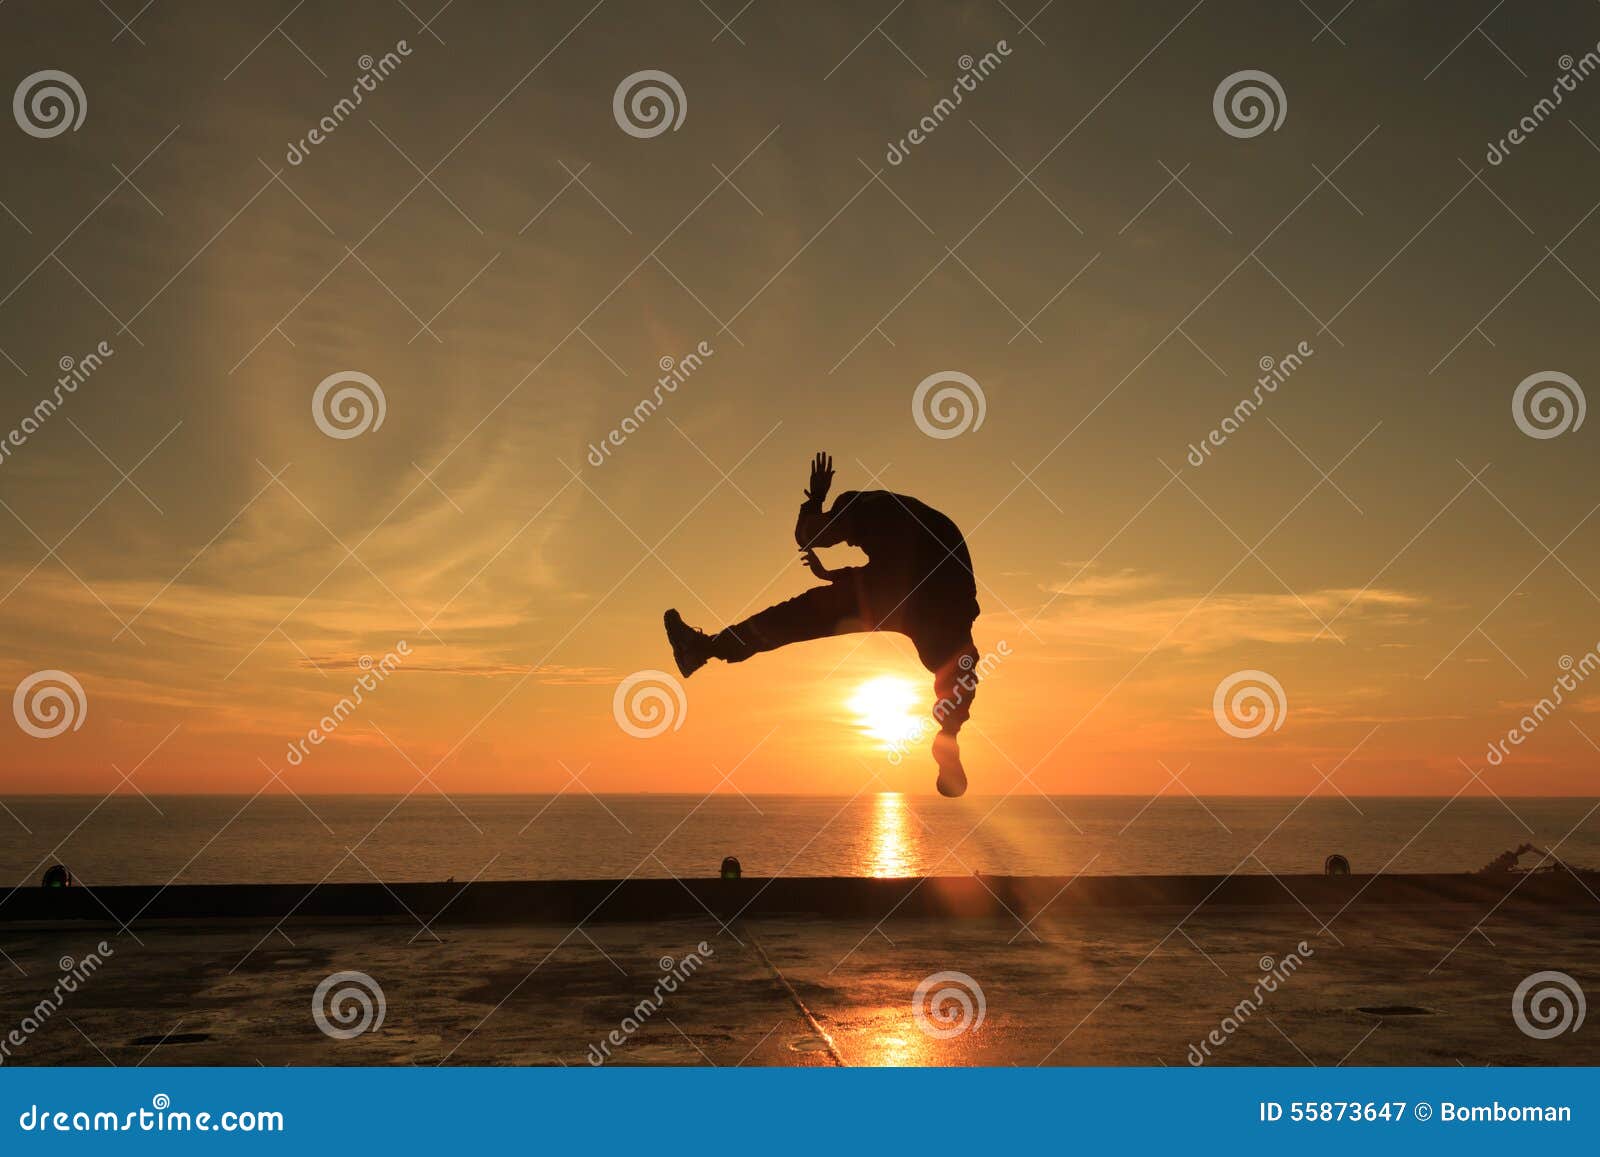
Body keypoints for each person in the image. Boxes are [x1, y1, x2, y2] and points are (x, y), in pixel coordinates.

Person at [664, 452, 981, 797]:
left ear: (845, 522)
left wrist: (814, 500)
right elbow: (900, 572)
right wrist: (837, 575)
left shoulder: (862, 514)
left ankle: (705, 649)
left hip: (918, 594)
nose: (839, 541)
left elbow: (810, 537)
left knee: (799, 616)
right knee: (958, 667)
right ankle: (949, 731)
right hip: (951, 602)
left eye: (841, 535)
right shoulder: (903, 515)